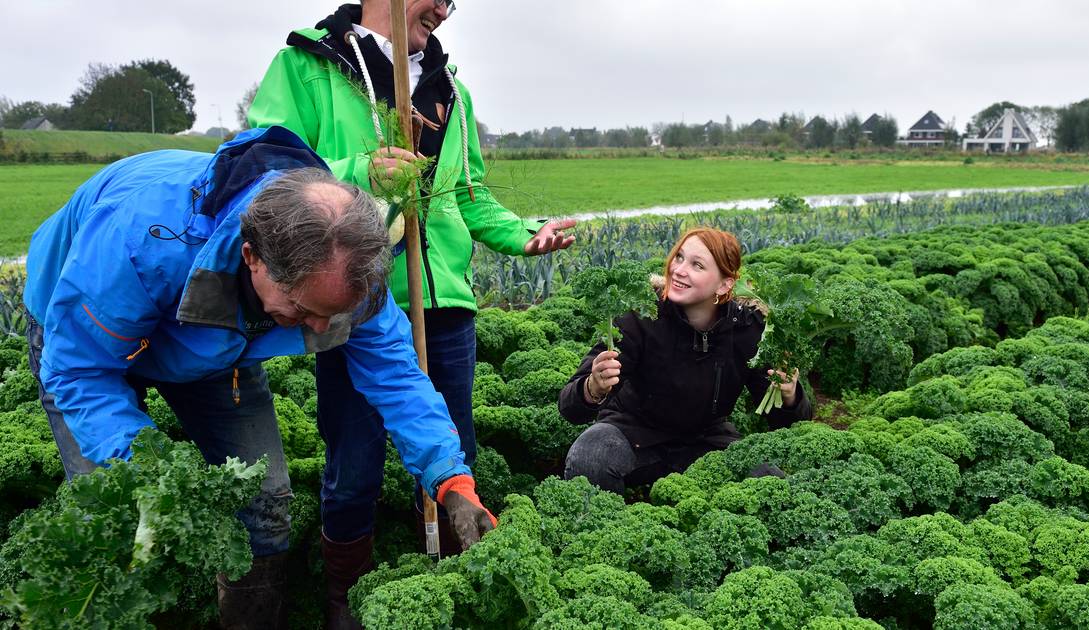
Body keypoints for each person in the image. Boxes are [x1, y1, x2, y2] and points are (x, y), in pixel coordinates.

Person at [22, 127, 495, 629]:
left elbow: (399, 378)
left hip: (216, 349)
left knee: (264, 498)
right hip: (85, 333)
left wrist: (451, 479)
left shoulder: (350, 268)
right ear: (253, 258)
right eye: (302, 310)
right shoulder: (144, 241)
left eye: (331, 316)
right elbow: (79, 371)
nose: (319, 328)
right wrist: (154, 475)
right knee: (120, 519)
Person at [247, 3, 575, 618]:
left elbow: (469, 198)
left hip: (442, 297)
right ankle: (346, 594)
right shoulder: (306, 66)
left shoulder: (452, 90)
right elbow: (265, 174)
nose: (446, 8)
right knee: (355, 457)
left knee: (453, 445)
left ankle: (458, 579)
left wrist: (523, 234)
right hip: (346, 297)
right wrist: (357, 173)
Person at [559, 228, 814, 494]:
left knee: (770, 481)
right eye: (679, 257)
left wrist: (790, 398)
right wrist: (592, 388)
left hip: (708, 443)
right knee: (590, 457)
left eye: (697, 265)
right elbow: (569, 406)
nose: (679, 270)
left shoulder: (748, 328)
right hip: (633, 438)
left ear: (725, 284)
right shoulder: (640, 316)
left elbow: (787, 426)